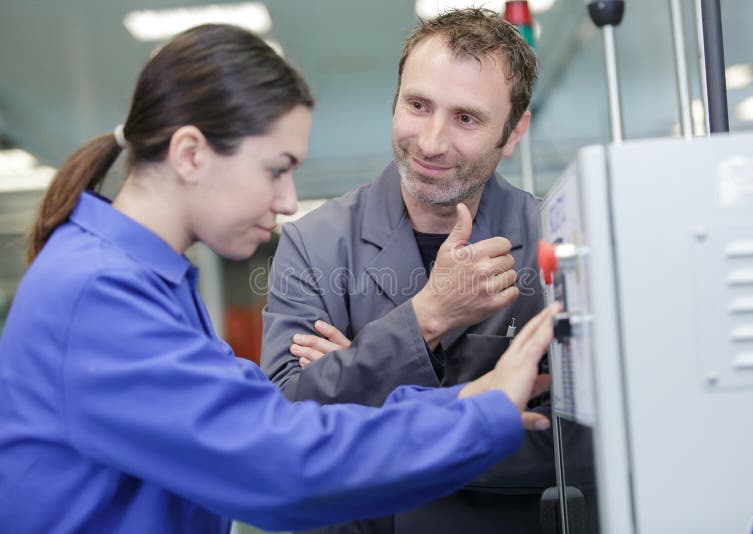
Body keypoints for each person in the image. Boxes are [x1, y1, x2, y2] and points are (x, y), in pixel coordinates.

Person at [0, 24, 561, 534]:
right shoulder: (100, 294)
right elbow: (282, 457)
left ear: (512, 132)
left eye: (465, 117)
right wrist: (480, 410)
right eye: (277, 169)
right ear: (191, 155)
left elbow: (269, 424)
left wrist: (465, 398)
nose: (290, 199)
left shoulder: (149, 283)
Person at [261, 8, 553, 534]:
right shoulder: (314, 244)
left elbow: (577, 442)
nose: (432, 142)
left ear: (513, 133)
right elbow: (287, 424)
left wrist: (357, 399)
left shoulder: (553, 240)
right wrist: (427, 319)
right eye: (418, 105)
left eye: (466, 118)